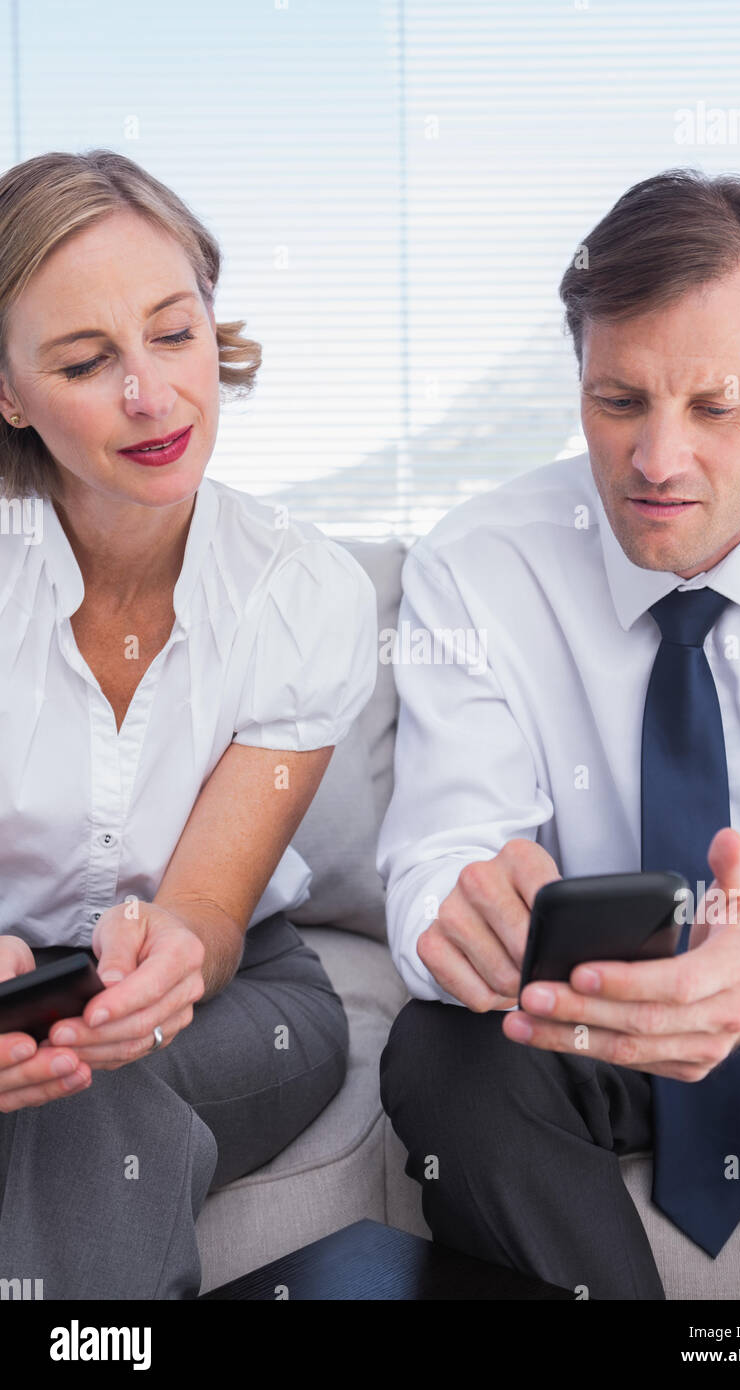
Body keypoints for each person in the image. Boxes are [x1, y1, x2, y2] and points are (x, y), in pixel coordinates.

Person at [377, 168, 740, 1300]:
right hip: (589, 1019)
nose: (654, 462)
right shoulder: (476, 567)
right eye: (616, 401)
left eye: (712, 408)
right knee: (442, 1053)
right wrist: (459, 916)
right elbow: (436, 854)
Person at [0, 149, 378, 1299]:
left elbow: (210, 910)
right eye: (84, 359)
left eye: (173, 333)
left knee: (83, 1074)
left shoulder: (301, 593)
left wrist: (170, 955)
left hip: (241, 993)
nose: (151, 396)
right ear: (9, 392)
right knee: (59, 1061)